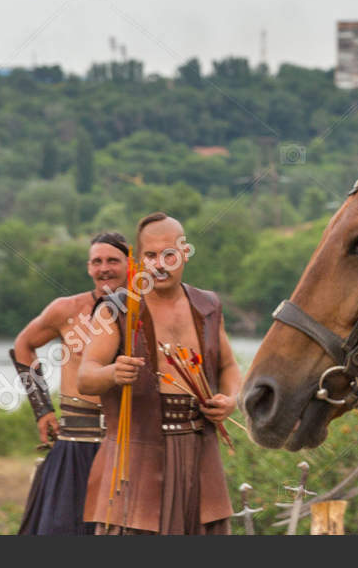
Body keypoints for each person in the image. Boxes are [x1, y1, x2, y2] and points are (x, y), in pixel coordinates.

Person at [79, 213, 239, 534]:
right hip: (136, 455)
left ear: (184, 253)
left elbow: (228, 366)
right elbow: (86, 376)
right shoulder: (118, 308)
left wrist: (231, 398)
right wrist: (113, 373)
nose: (160, 264)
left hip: (200, 452)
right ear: (139, 261)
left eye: (169, 254)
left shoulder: (207, 306)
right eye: (151, 255)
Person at [12, 232, 130, 535]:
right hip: (75, 443)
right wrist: (42, 409)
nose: (104, 268)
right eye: (97, 262)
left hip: (128, 443)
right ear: (89, 268)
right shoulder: (67, 309)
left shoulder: (149, 312)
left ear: (131, 264)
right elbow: (23, 346)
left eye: (113, 260)